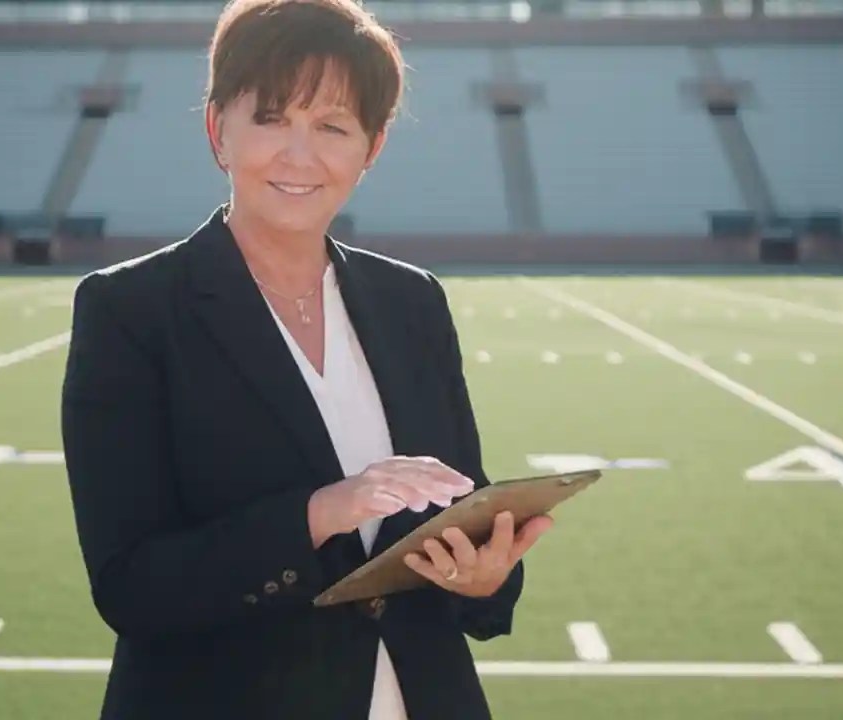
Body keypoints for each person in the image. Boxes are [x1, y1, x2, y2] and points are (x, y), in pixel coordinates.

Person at [59, 0, 554, 716]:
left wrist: (483, 578)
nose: (299, 155)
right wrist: (321, 512)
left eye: (332, 127)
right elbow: (133, 586)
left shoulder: (411, 301)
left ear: (371, 147)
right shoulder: (130, 310)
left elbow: (458, 504)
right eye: (270, 119)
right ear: (215, 129)